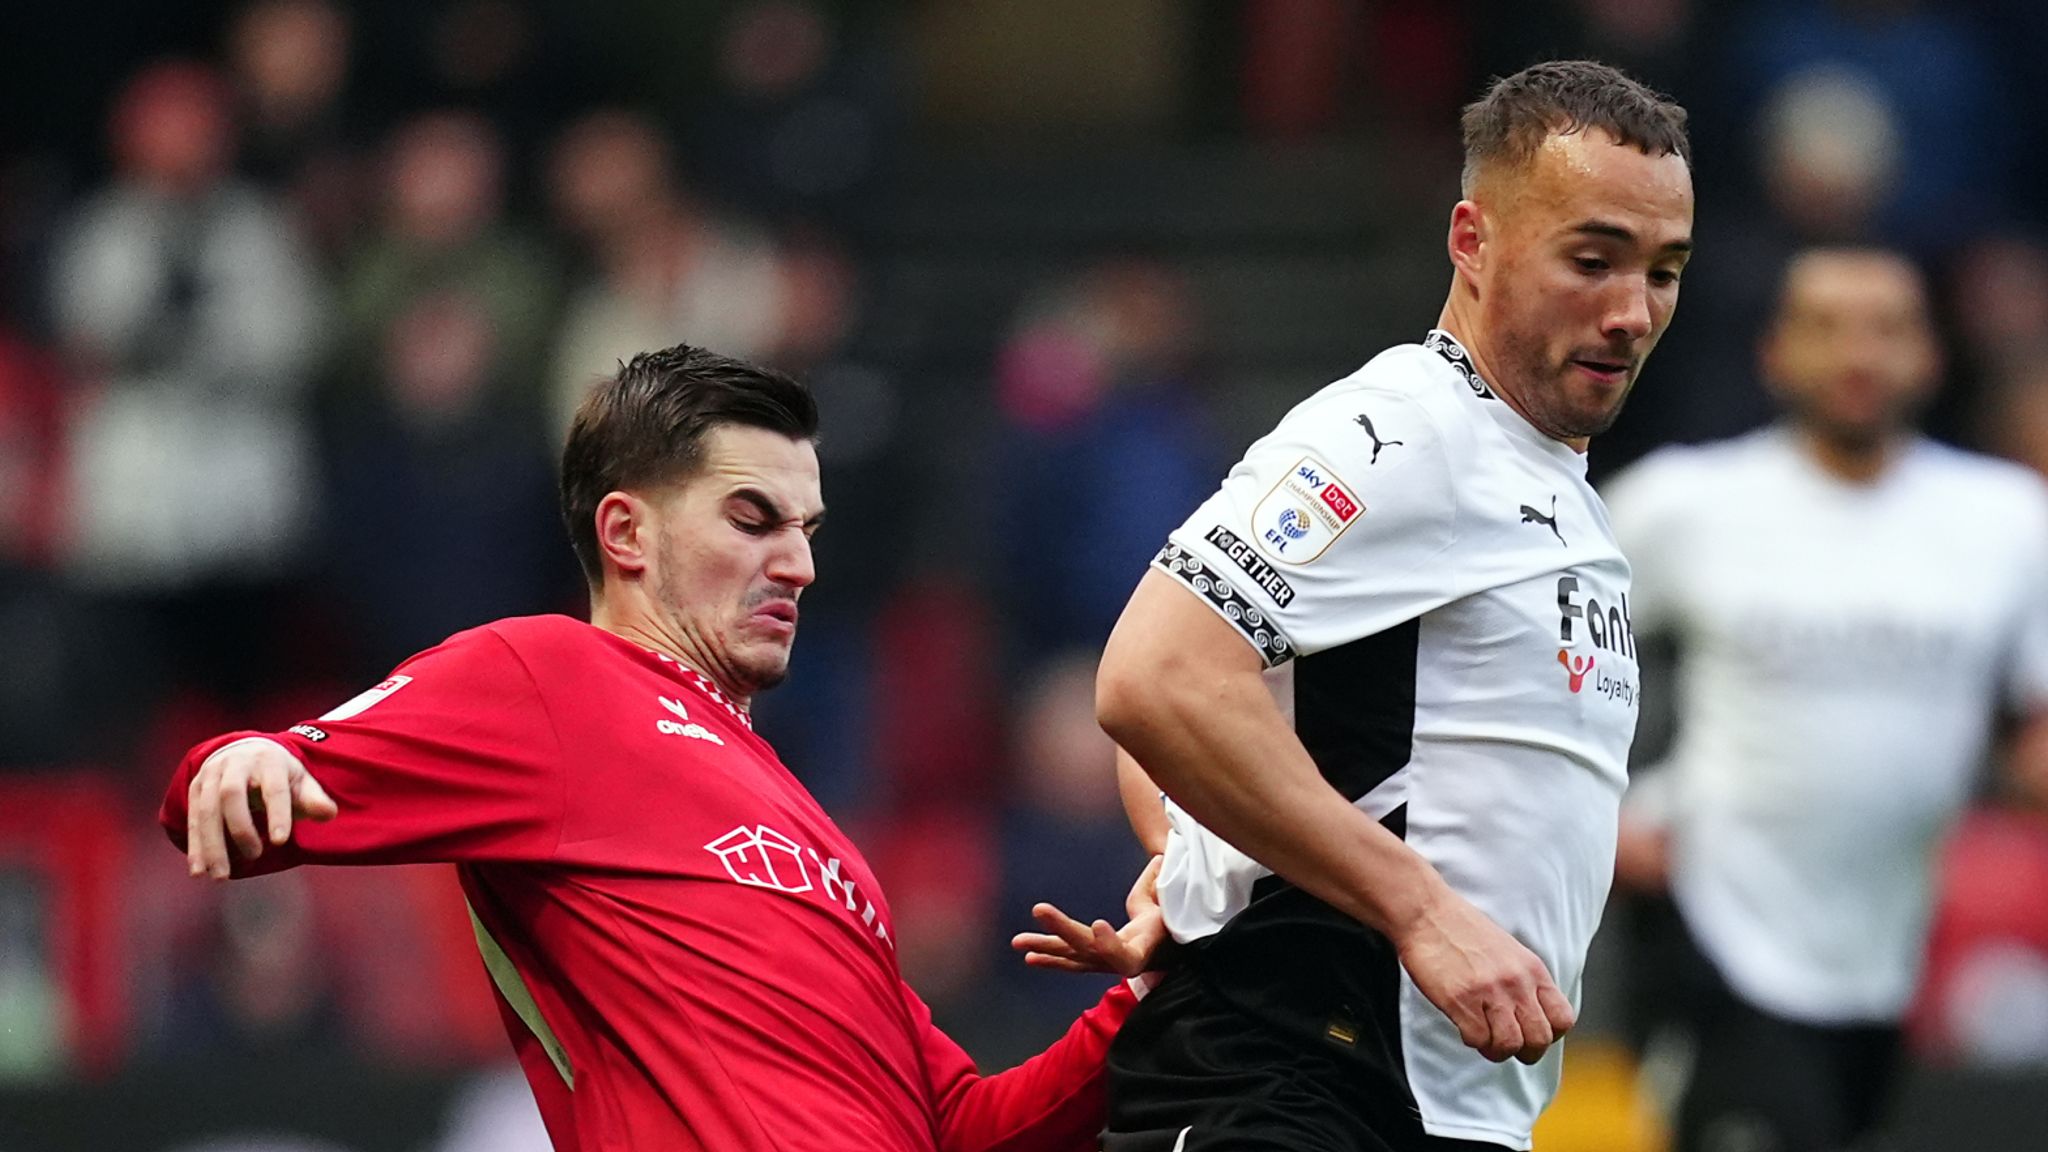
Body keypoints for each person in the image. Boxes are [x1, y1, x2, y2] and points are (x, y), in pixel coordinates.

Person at [162, 345, 1165, 1151]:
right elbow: (251, 789)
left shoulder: (815, 833)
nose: (801, 564)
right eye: (752, 519)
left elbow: (962, 1127)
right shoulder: (548, 677)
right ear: (627, 535)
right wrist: (245, 762)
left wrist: (1150, 995)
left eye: (806, 528)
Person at [1094, 60, 1694, 1151]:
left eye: (1662, 270)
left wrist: (1186, 853)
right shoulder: (1405, 431)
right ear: (1470, 240)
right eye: (1591, 260)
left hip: (1427, 1107)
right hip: (1294, 1080)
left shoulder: (1548, 483)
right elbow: (1155, 676)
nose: (1629, 312)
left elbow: (1232, 693)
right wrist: (1417, 908)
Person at [1602, 247, 2048, 1152]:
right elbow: (1526, 652)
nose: (1858, 353)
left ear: (1929, 355)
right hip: (1720, 927)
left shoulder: (2007, 520)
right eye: (1827, 327)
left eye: (1886, 328)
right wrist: (1595, 814)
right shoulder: (1687, 503)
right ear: (1775, 352)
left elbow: (2033, 727)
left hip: (1894, 950)